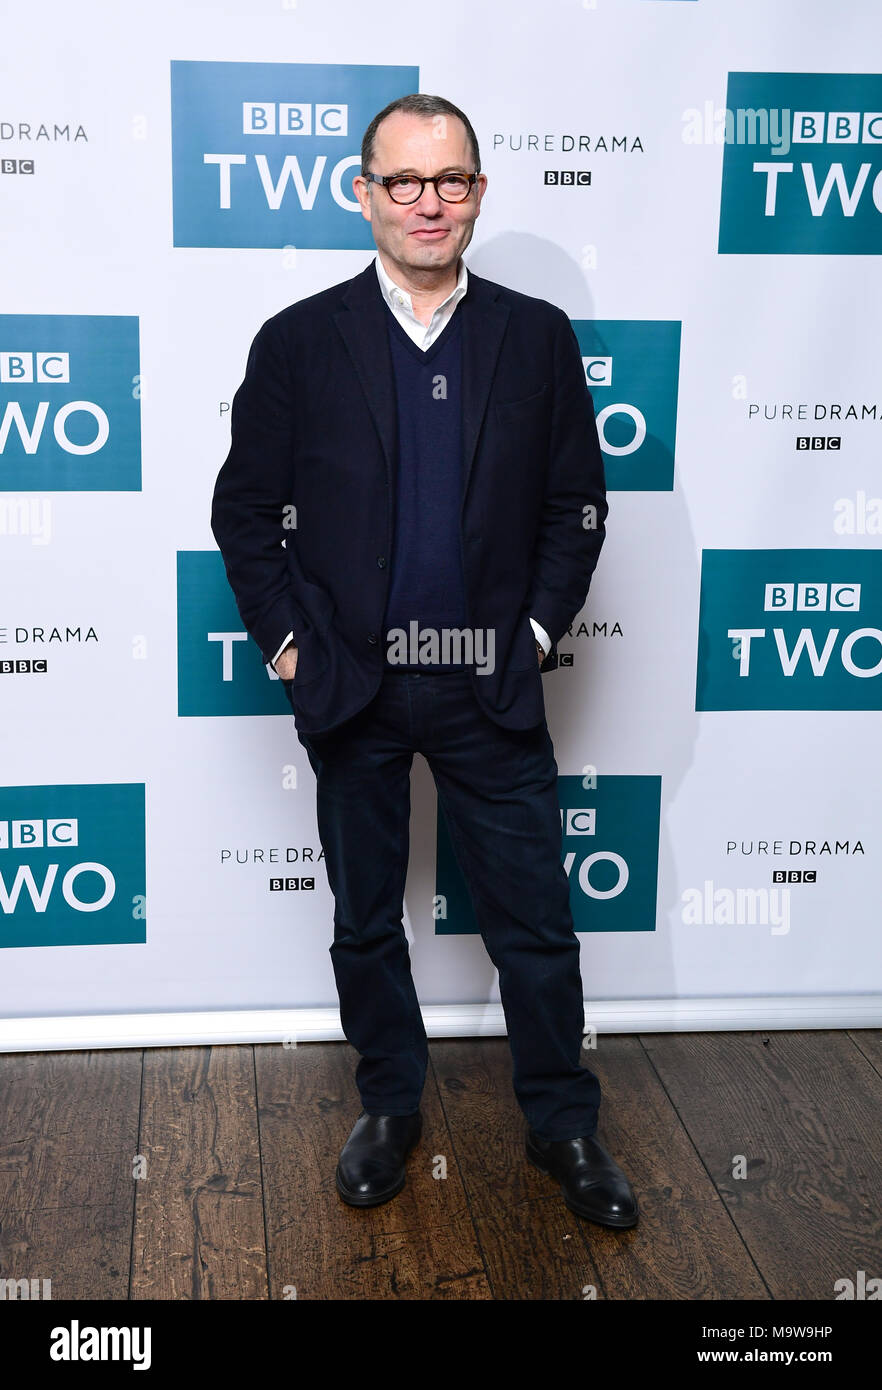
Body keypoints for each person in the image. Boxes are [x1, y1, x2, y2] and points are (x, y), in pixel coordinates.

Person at [211, 93, 637, 1230]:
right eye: (402, 181)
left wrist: (537, 633)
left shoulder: (534, 336)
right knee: (364, 916)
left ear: (479, 192)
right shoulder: (300, 341)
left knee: (536, 919)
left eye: (449, 180)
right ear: (363, 193)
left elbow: (576, 507)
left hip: (486, 681)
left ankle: (563, 1123)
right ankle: (391, 1104)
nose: (427, 202)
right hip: (353, 685)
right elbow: (245, 513)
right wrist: (297, 648)